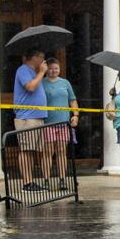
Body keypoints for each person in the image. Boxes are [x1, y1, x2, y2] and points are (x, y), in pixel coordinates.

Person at [13, 48, 49, 192]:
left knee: (32, 150)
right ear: (34, 57)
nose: (43, 61)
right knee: (26, 149)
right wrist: (41, 73)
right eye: (42, 57)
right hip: (27, 117)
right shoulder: (23, 70)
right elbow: (30, 87)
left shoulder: (33, 72)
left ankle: (31, 181)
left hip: (37, 116)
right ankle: (27, 182)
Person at [40, 57, 79, 190]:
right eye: (50, 69)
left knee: (62, 151)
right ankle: (46, 180)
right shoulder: (41, 83)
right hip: (47, 123)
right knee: (48, 152)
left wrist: (76, 115)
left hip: (64, 123)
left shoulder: (65, 83)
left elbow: (72, 100)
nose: (53, 71)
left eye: (56, 68)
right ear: (46, 70)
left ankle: (62, 179)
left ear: (59, 69)